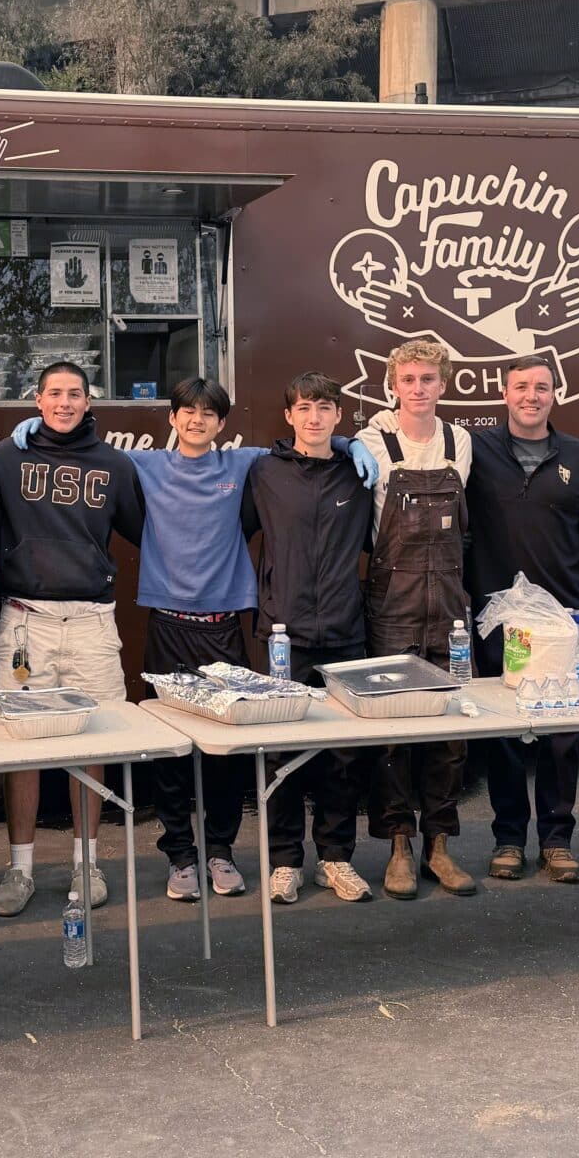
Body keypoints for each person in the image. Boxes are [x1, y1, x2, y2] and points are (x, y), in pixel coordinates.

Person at [16, 378, 376, 903]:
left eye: (210, 414)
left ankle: (221, 852)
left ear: (222, 424)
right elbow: (85, 451)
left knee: (226, 753)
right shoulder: (144, 465)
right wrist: (39, 430)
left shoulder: (243, 465)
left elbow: (305, 444)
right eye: (188, 412)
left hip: (226, 629)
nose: (197, 421)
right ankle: (181, 857)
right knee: (170, 755)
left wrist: (353, 443)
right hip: (168, 627)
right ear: (173, 418)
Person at [0, 361, 145, 916]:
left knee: (91, 746)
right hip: (26, 621)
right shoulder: (6, 457)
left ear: (90, 401)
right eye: (55, 394)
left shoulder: (114, 465)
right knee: (22, 748)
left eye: (75, 394)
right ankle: (19, 869)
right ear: (37, 400)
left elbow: (146, 528)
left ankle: (86, 862)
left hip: (92, 621)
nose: (65, 403)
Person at [467, 355, 579, 885]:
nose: (531, 396)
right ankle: (509, 838)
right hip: (499, 621)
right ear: (504, 394)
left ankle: (557, 841)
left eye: (542, 387)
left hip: (564, 621)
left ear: (556, 394)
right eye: (521, 387)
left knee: (560, 736)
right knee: (504, 734)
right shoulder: (476, 450)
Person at [244, 371, 378, 904]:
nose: (314, 417)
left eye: (325, 407)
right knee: (282, 750)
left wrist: (355, 447)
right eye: (304, 407)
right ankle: (283, 862)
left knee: (342, 755)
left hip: (345, 629)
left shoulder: (357, 472)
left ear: (338, 415)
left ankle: (336, 858)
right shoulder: (265, 473)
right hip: (283, 632)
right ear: (288, 416)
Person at [357, 339, 480, 898]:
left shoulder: (461, 441)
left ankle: (440, 845)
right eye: (408, 379)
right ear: (393, 384)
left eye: (428, 379)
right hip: (394, 607)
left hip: (449, 605)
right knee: (392, 738)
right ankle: (398, 847)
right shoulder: (372, 442)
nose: (418, 389)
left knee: (449, 737)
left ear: (443, 383)